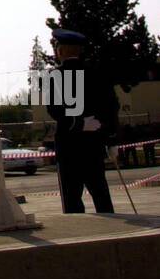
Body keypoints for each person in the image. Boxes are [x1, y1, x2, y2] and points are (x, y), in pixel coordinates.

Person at [47, 28, 116, 214]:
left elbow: (55, 110)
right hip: (94, 142)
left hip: (69, 143)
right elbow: (110, 107)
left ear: (60, 50)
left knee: (71, 197)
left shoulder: (55, 76)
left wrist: (78, 123)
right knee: (100, 192)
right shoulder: (97, 74)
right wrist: (110, 137)